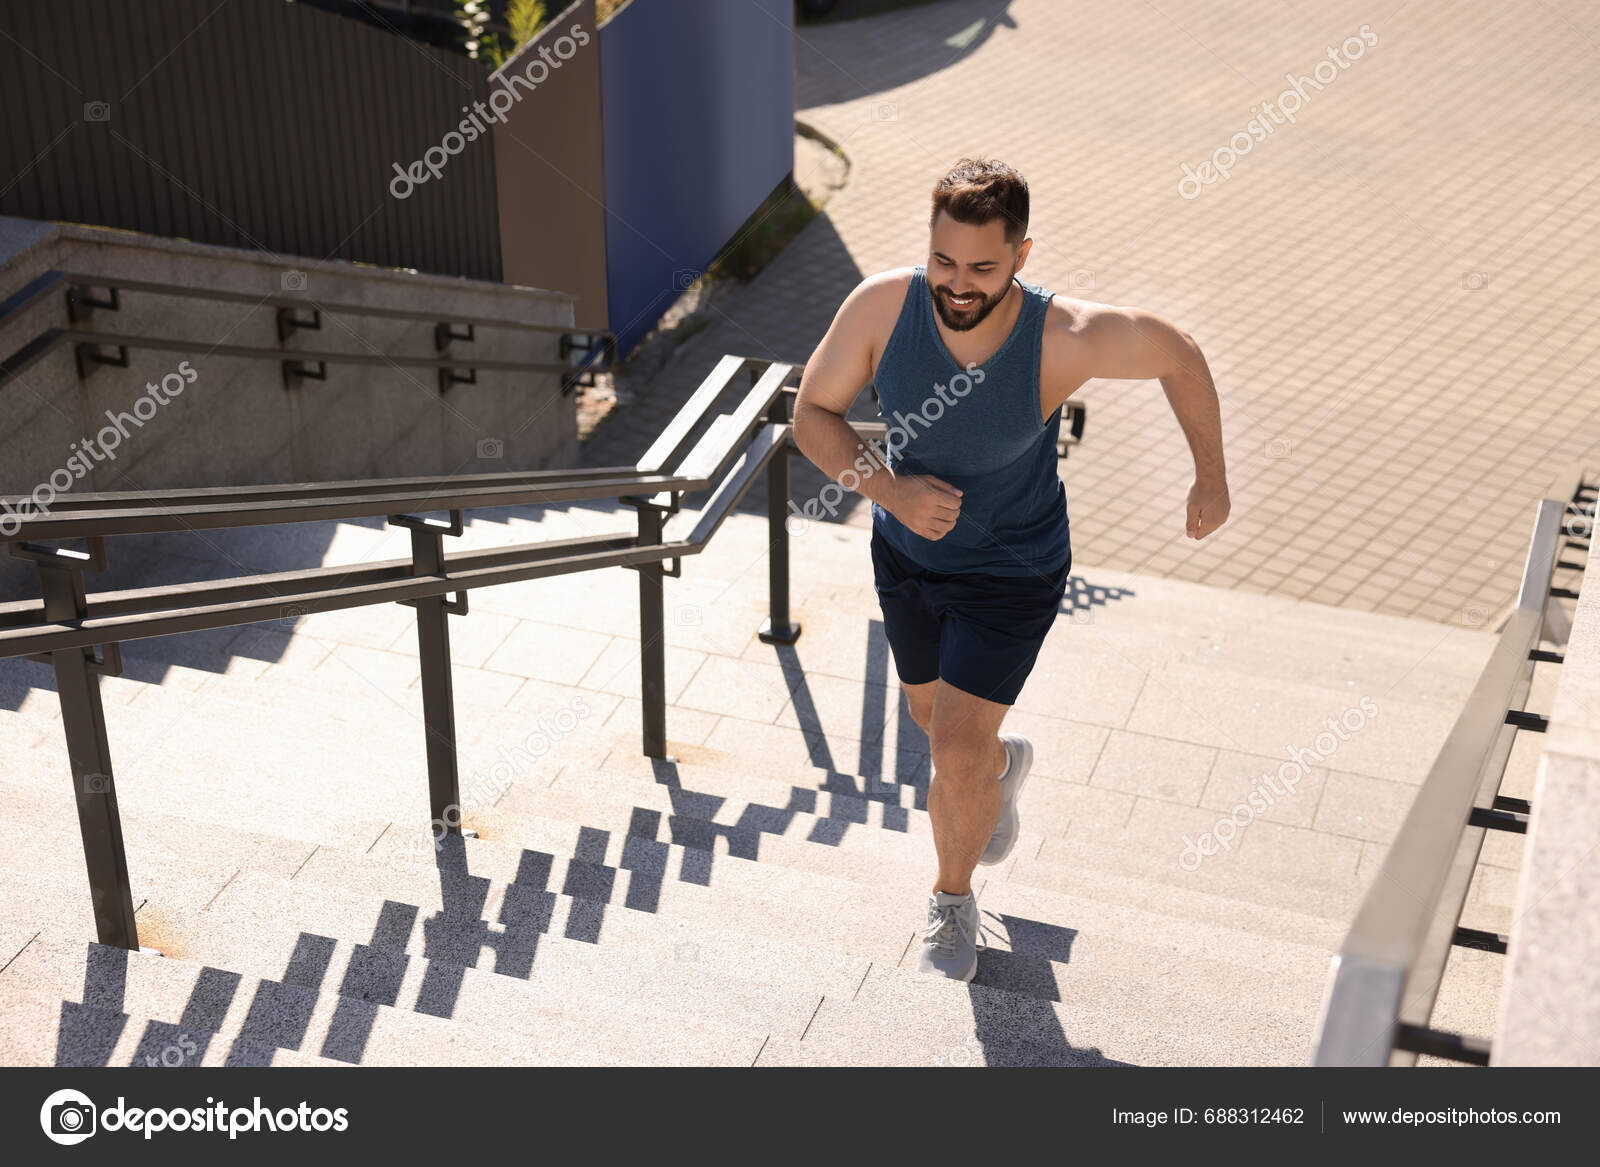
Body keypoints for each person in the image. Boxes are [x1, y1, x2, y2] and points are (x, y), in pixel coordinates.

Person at [791, 157, 1229, 981]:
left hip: (1013, 569)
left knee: (951, 746)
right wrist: (889, 489)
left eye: (983, 268)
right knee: (934, 723)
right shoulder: (883, 307)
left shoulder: (1064, 339)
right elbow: (811, 413)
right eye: (944, 262)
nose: (957, 285)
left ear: (1021, 257)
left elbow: (1179, 352)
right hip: (908, 555)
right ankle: (1000, 765)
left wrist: (1211, 474)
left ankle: (952, 899)